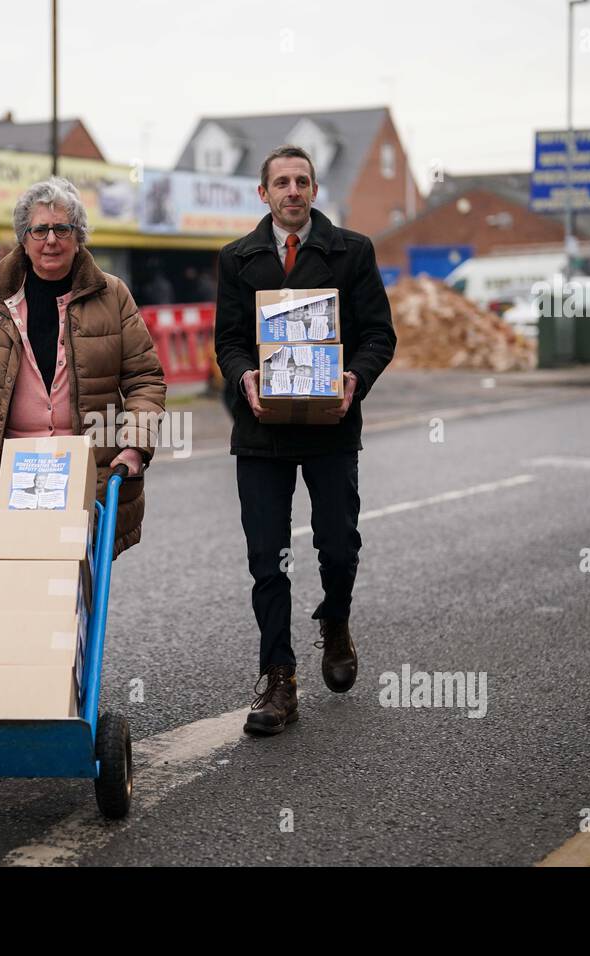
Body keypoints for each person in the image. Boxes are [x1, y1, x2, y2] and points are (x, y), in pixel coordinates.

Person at [213, 145, 397, 735]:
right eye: (281, 183)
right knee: (268, 559)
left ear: (315, 191)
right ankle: (279, 678)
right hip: (262, 429)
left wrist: (353, 379)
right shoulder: (235, 260)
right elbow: (229, 340)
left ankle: (336, 618)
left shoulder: (352, 253)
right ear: (262, 194)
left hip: (330, 426)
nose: (293, 191)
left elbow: (379, 334)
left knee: (338, 547)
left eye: (303, 181)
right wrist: (243, 376)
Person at [0, 177, 166, 556]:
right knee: (14, 585)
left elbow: (145, 378)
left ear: (78, 236)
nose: (51, 240)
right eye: (40, 229)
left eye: (63, 228)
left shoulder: (113, 295)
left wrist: (134, 447)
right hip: (10, 472)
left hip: (87, 473)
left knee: (73, 589)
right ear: (24, 238)